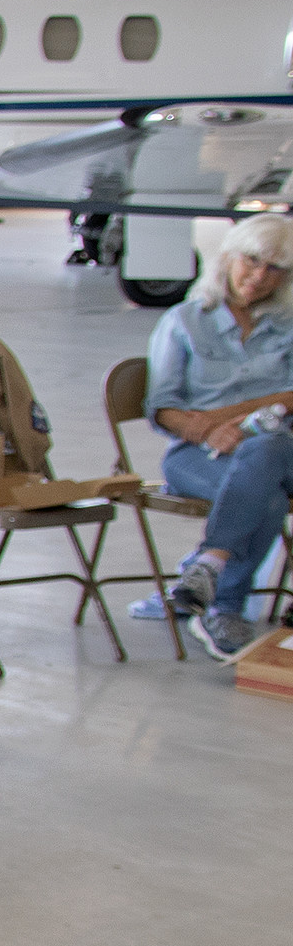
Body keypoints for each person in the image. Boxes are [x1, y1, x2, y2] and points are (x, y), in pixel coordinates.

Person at [147, 212, 293, 662]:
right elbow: (162, 408)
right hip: (197, 457)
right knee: (265, 486)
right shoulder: (185, 319)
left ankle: (208, 571)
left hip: (275, 451)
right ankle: (223, 603)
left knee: (266, 452)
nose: (259, 277)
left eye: (275, 269)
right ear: (228, 257)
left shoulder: (288, 325)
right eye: (252, 261)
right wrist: (211, 430)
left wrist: (233, 420)